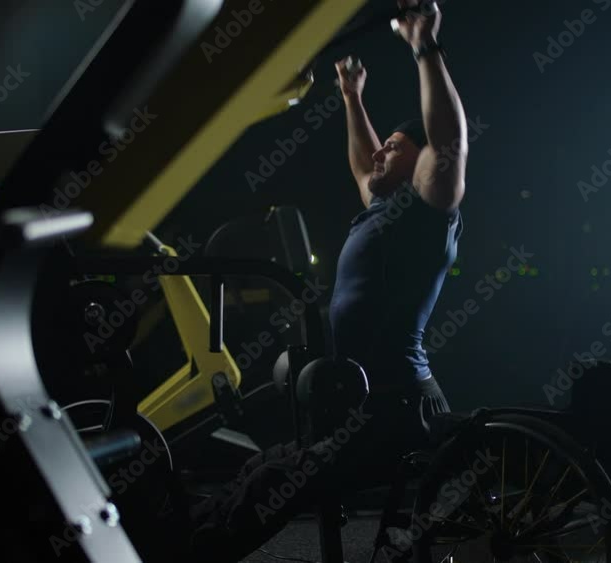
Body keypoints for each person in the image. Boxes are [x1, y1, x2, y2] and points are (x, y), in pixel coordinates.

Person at [151, 2, 470, 561]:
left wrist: (423, 45)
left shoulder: (426, 211)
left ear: (421, 167)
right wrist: (351, 96)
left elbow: (446, 143)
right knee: (262, 466)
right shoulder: (384, 210)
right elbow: (360, 164)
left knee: (270, 487)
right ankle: (161, 543)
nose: (379, 151)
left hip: (396, 408)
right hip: (360, 402)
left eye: (394, 147)